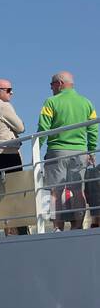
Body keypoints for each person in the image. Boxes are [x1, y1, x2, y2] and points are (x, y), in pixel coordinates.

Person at [38, 71, 98, 230]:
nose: (51, 88)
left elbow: (43, 128)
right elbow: (93, 129)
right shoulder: (86, 103)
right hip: (80, 152)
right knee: (78, 190)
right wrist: (91, 150)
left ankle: (58, 227)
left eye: (52, 84)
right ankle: (77, 226)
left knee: (55, 191)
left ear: (59, 83)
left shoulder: (51, 102)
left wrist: (35, 148)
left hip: (57, 151)